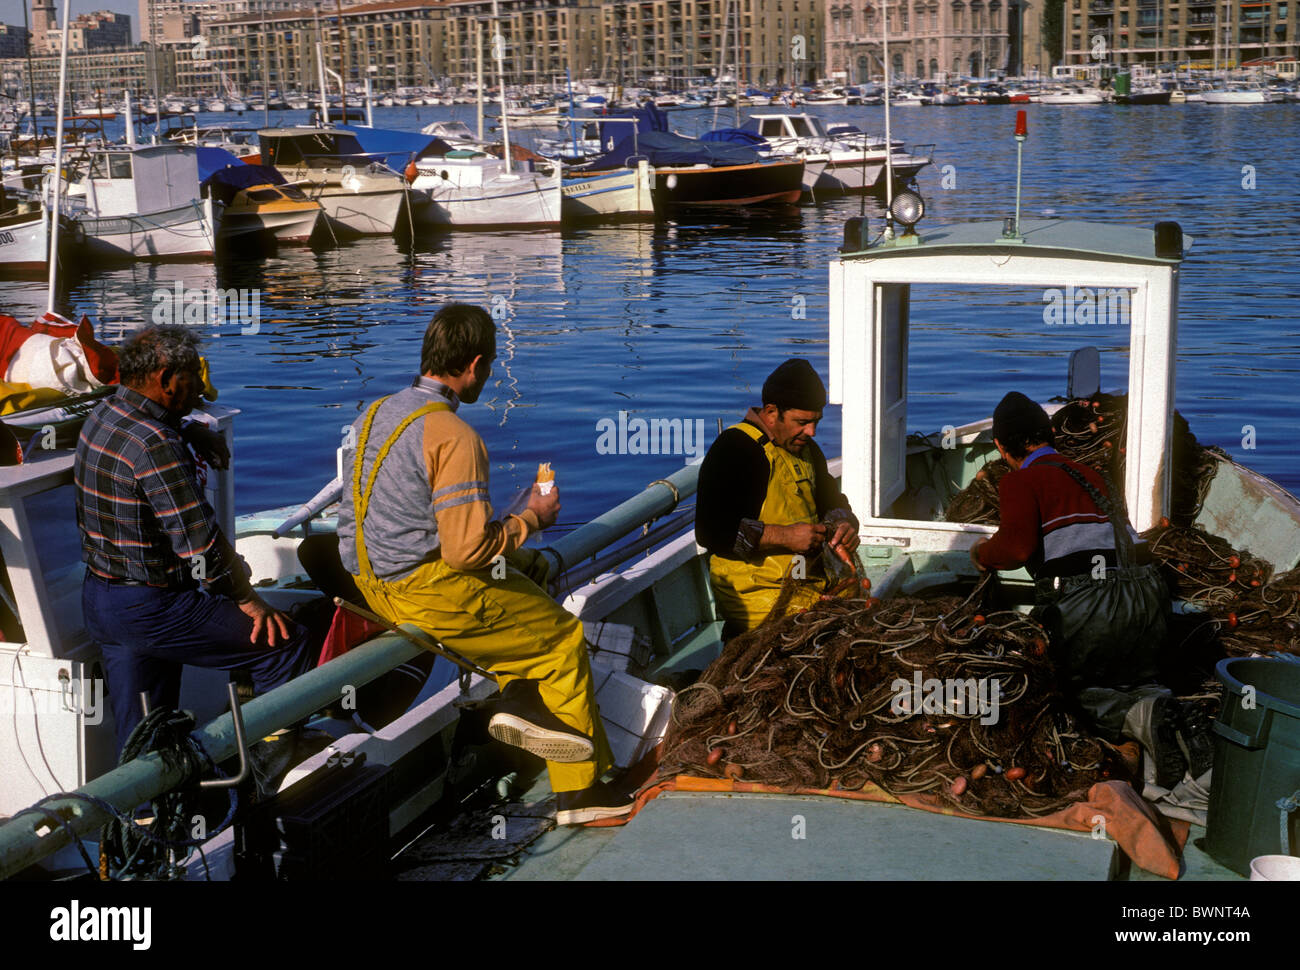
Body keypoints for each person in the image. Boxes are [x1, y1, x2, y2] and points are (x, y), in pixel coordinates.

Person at [336, 303, 631, 826]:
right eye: (489, 367)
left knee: (529, 577)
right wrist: (532, 519)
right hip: (428, 588)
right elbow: (465, 552)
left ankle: (518, 696)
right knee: (560, 639)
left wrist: (513, 540)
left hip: (371, 584)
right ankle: (579, 796)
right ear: (473, 365)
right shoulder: (454, 436)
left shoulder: (375, 413)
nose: (488, 377)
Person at [76, 326, 316, 751]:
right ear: (166, 377)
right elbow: (201, 547)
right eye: (192, 375)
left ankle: (146, 812)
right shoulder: (157, 445)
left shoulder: (102, 415)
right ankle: (270, 770)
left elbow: (142, 427)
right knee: (282, 643)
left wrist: (188, 428)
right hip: (152, 607)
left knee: (145, 734)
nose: (201, 386)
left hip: (101, 600)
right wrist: (246, 598)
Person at [968, 391, 1213, 789]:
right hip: (1147, 599)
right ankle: (1163, 705)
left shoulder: (1020, 481)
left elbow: (1014, 550)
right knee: (1134, 676)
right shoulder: (1093, 474)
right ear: (1050, 434)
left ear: (1000, 446)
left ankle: (1137, 717)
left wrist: (981, 553)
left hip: (1087, 604)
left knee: (1055, 689)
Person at [696, 358, 860, 638]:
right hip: (758, 604)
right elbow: (711, 532)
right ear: (771, 412)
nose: (811, 432)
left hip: (809, 591)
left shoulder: (808, 450)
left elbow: (833, 501)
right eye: (802, 422)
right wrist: (785, 537)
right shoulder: (735, 449)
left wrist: (845, 524)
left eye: (815, 422)